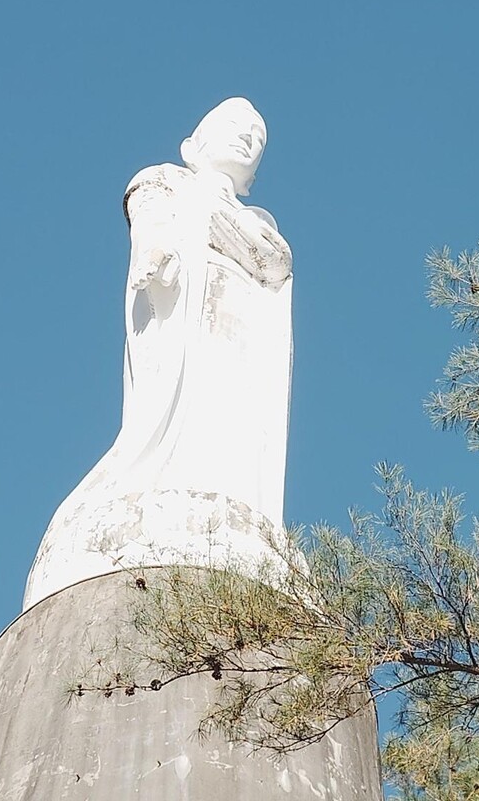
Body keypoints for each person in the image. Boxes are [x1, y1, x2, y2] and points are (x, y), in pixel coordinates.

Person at [24, 98, 293, 607]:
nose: (246, 138)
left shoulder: (263, 228)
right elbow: (152, 222)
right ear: (193, 144)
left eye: (256, 138)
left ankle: (233, 500)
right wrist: (155, 254)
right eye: (233, 127)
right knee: (179, 410)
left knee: (234, 423)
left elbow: (275, 269)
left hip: (238, 330)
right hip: (183, 313)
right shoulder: (167, 182)